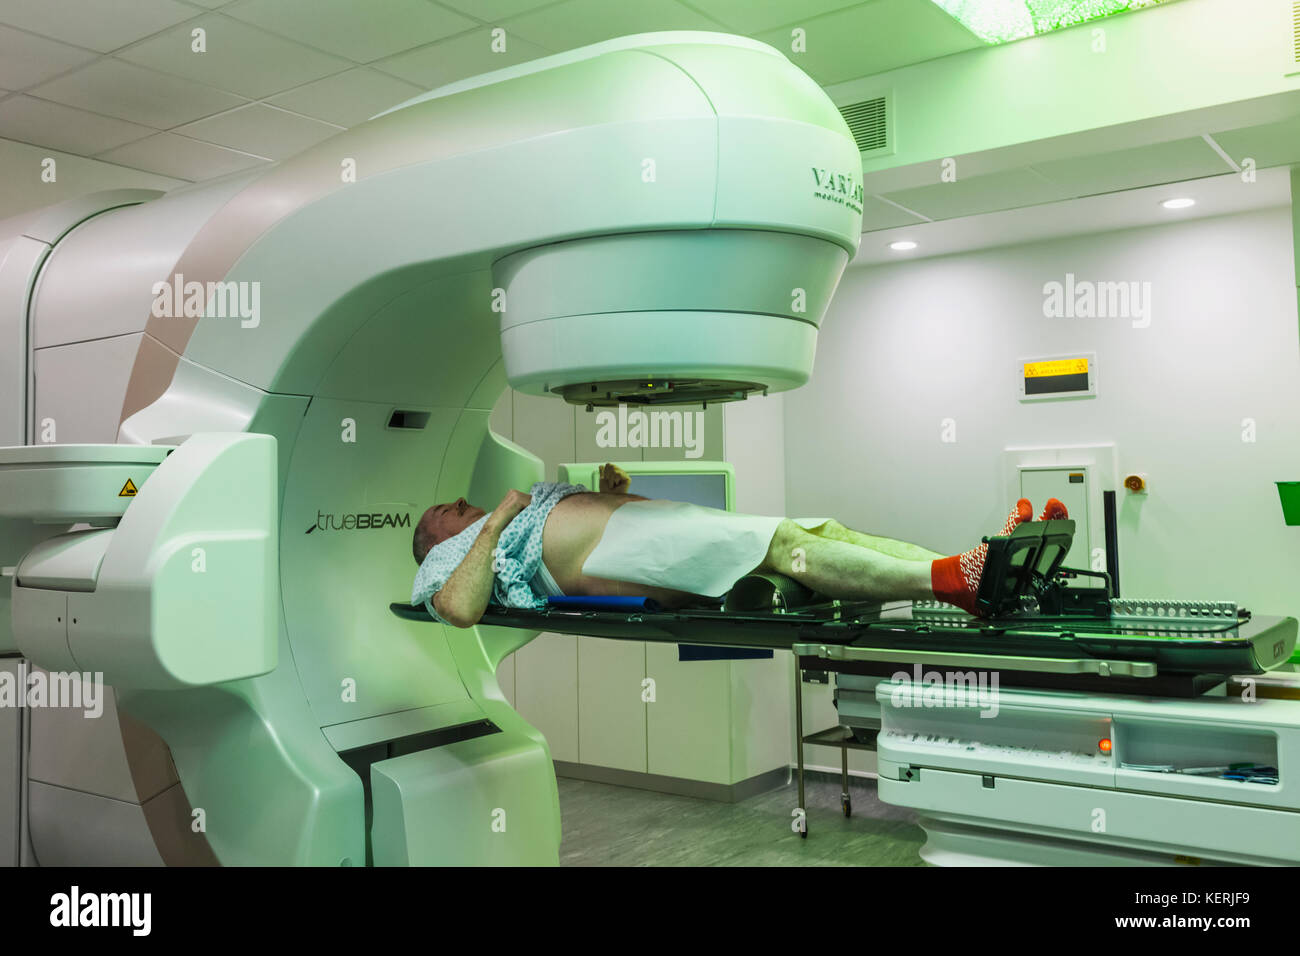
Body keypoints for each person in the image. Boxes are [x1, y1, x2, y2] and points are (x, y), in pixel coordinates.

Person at [410, 463, 1067, 627]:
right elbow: (458, 609)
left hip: (642, 530)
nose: (459, 504)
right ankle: (953, 581)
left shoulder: (497, 522)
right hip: (617, 556)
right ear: (435, 540)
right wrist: (494, 522)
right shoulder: (449, 558)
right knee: (783, 543)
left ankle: (967, 571)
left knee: (820, 532)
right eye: (446, 512)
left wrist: (615, 495)